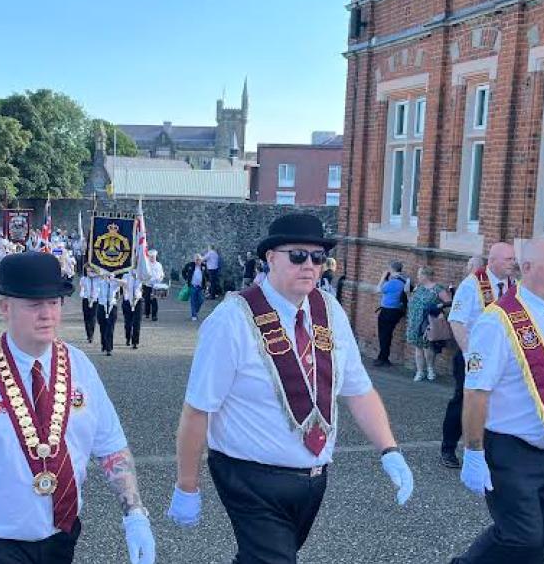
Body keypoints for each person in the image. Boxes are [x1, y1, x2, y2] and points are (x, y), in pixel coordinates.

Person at [168, 213, 414, 562]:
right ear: (270, 258)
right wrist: (187, 485)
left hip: (313, 478)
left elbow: (359, 390)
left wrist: (390, 450)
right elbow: (198, 409)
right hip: (249, 475)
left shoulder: (330, 311)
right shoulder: (232, 320)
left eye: (318, 258)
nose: (309, 265)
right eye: (297, 256)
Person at [0, 252, 156, 564]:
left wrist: (134, 515)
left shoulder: (80, 367)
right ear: (5, 307)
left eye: (54, 302)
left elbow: (111, 447)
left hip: (62, 536)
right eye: (33, 304)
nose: (47, 314)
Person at [451, 238, 544, 564]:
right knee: (521, 536)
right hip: (510, 448)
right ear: (528, 267)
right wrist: (474, 452)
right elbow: (476, 392)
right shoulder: (498, 320)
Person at [439, 244, 516, 469]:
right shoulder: (472, 284)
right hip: (474, 356)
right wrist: (468, 355)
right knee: (464, 401)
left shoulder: (514, 286)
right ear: (492, 261)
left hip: (501, 359)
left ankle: (488, 451)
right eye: (509, 259)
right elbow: (457, 320)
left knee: (497, 404)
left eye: (514, 259)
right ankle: (448, 447)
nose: (513, 263)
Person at [404, 266, 450, 382]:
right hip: (415, 322)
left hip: (428, 322)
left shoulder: (437, 289)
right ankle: (420, 371)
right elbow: (412, 300)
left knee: (428, 347)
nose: (418, 276)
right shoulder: (418, 287)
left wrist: (439, 309)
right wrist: (408, 294)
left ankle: (430, 369)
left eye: (419, 274)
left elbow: (449, 302)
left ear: (425, 275)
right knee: (418, 347)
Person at [374, 261, 410, 366]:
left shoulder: (392, 282)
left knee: (384, 335)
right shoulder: (404, 280)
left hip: (387, 311)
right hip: (397, 311)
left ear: (391, 269)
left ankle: (383, 358)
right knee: (387, 334)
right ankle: (383, 357)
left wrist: (382, 278)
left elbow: (378, 289)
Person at [94, 272, 122, 357]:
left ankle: (109, 348)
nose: (109, 276)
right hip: (102, 306)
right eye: (108, 275)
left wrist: (113, 279)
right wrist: (103, 277)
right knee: (103, 327)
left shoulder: (114, 284)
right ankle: (104, 344)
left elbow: (124, 283)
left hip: (112, 306)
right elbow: (96, 284)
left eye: (110, 275)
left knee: (110, 327)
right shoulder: (100, 283)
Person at [121, 268, 144, 349]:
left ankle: (135, 342)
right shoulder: (126, 276)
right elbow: (124, 286)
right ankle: (128, 337)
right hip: (127, 301)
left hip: (138, 300)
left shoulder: (141, 276)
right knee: (128, 322)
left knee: (137, 322)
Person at [182, 255, 209, 322]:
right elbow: (183, 272)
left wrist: (208, 282)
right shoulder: (190, 265)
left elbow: (207, 275)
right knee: (193, 301)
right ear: (194, 260)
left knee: (201, 300)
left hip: (200, 287)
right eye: (196, 260)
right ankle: (194, 315)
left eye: (199, 260)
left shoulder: (204, 266)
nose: (198, 261)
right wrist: (186, 279)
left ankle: (195, 311)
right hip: (192, 286)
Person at [142, 250, 164, 322]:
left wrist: (161, 278)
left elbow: (161, 274)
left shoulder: (158, 265)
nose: (152, 258)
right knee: (147, 300)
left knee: (154, 300)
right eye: (151, 257)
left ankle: (154, 316)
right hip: (147, 284)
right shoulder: (146, 264)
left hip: (155, 286)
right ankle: (147, 313)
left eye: (153, 257)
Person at [79, 265, 97, 343]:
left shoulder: (98, 279)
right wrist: (82, 293)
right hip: (86, 299)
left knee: (93, 317)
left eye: (91, 271)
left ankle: (91, 335)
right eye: (88, 271)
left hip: (95, 300)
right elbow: (82, 289)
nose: (89, 272)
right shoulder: (83, 279)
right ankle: (88, 334)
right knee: (86, 317)